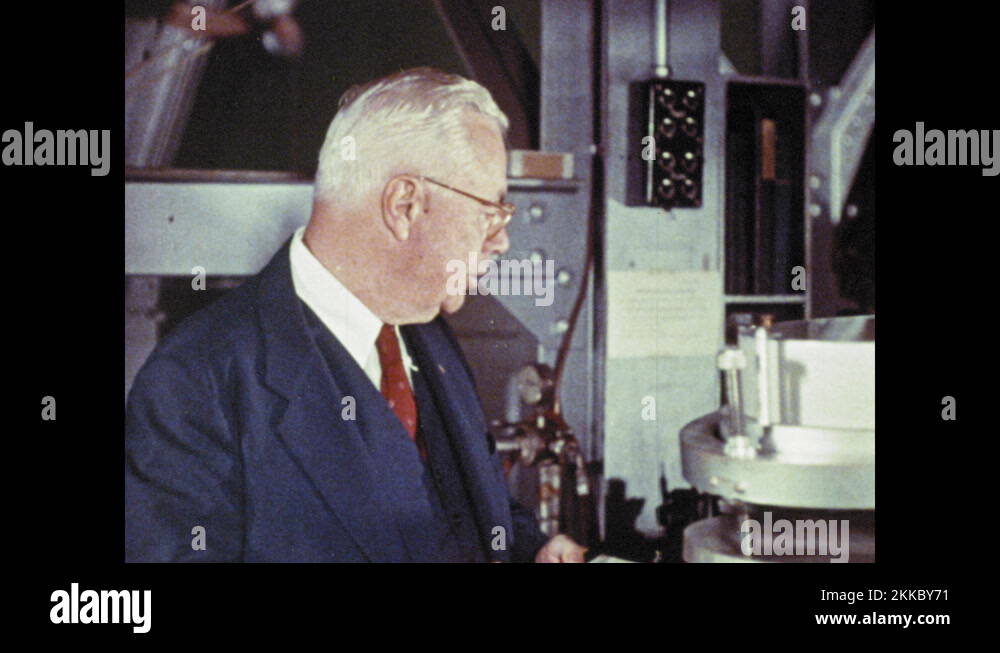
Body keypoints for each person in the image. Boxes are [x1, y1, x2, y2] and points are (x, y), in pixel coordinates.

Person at [125, 67, 587, 563]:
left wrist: (531, 550)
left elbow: (461, 510)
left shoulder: (425, 328)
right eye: (490, 212)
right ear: (405, 204)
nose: (501, 241)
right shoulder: (197, 382)